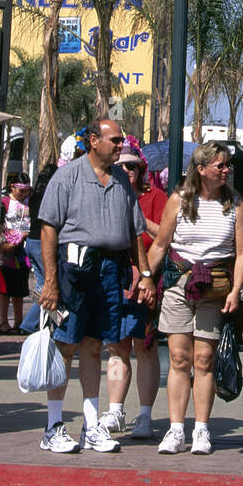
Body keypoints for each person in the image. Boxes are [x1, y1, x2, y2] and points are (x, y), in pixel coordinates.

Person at [38, 119, 148, 453]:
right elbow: (48, 229)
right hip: (74, 270)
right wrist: (51, 283)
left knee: (94, 345)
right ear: (93, 140)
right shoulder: (67, 176)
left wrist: (143, 273)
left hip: (110, 270)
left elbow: (133, 232)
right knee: (65, 346)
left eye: (122, 140)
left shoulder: (120, 180)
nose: (120, 145)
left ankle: (91, 424)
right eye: (115, 140)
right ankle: (53, 426)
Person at [145, 141, 243, 455]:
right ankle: (176, 429)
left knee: (204, 359)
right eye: (220, 165)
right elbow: (161, 245)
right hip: (179, 283)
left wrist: (236, 290)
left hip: (215, 286)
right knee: (179, 359)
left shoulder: (235, 204)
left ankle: (201, 430)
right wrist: (146, 279)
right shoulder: (179, 200)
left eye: (227, 165)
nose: (226, 170)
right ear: (201, 169)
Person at [98, 144, 164, 441]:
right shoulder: (108, 195)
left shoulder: (155, 198)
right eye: (120, 166)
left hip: (147, 282)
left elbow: (164, 236)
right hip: (116, 281)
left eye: (131, 166)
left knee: (145, 347)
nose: (125, 171)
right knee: (116, 348)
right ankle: (114, 410)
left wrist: (137, 215)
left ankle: (146, 414)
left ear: (141, 170)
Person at [20, 163, 59, 335]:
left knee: (42, 283)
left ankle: (42, 321)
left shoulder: (35, 194)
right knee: (47, 285)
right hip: (42, 241)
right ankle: (31, 323)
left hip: (32, 240)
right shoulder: (51, 194)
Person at [0, 172, 30, 334]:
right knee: (4, 288)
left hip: (22, 250)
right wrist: (9, 236)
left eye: (26, 191)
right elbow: (0, 223)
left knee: (19, 288)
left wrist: (23, 236)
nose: (23, 194)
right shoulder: (4, 202)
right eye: (20, 190)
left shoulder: (28, 204)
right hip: (6, 249)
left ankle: (19, 321)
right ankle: (3, 322)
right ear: (12, 186)